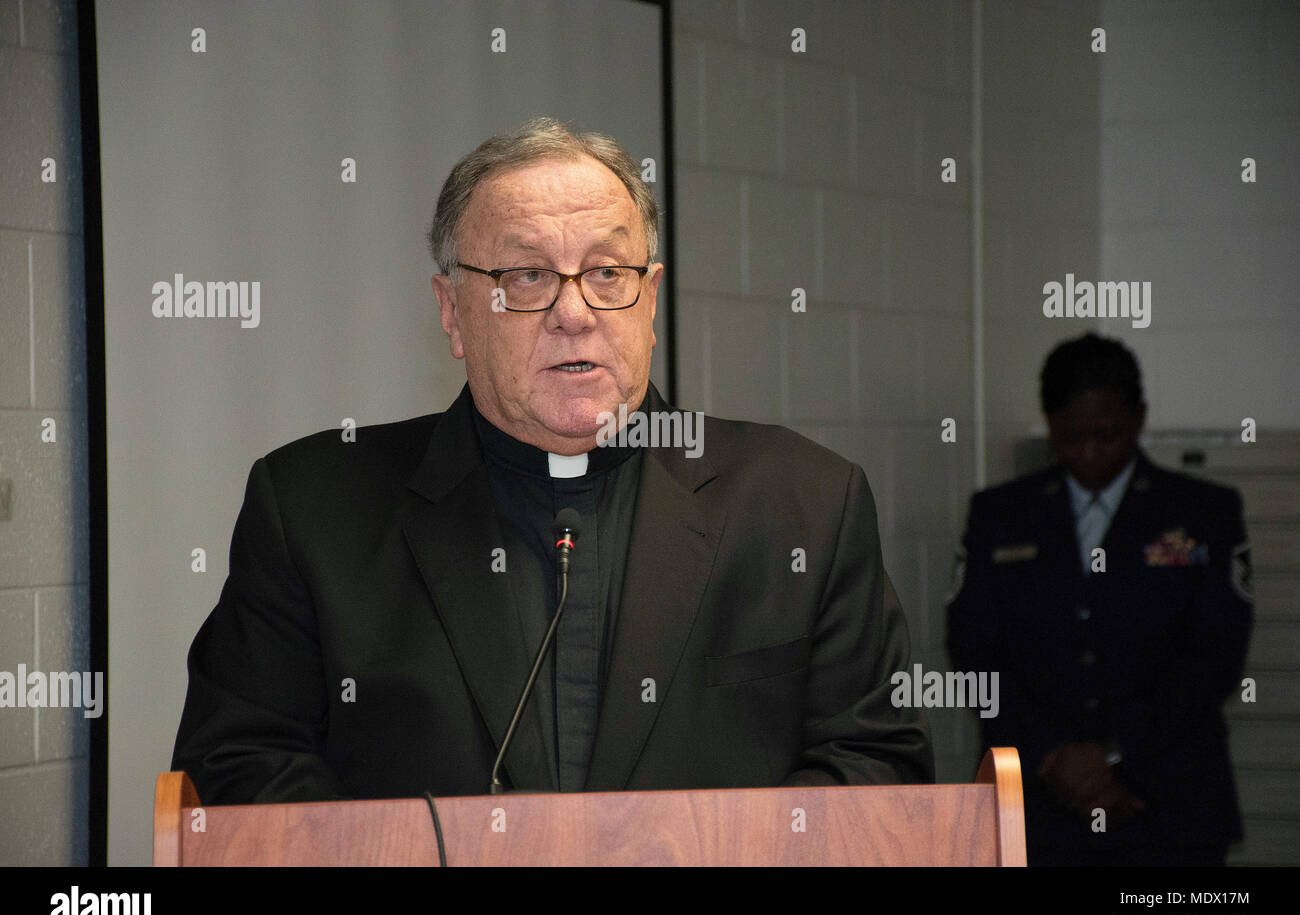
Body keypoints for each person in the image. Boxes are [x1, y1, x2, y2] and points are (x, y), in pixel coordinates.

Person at [172, 117, 933, 803]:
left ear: (650, 298)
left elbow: (877, 763)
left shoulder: (804, 502)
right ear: (452, 311)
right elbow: (242, 764)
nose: (575, 312)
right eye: (527, 277)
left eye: (608, 273)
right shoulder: (314, 506)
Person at [946, 333, 1253, 865]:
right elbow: (974, 650)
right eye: (1070, 438)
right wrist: (1054, 757)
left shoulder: (1203, 513)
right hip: (1038, 807)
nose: (1088, 454)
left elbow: (1215, 654)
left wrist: (1113, 753)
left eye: (1107, 436)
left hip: (1170, 805)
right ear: (1049, 422)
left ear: (1139, 418)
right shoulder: (1000, 515)